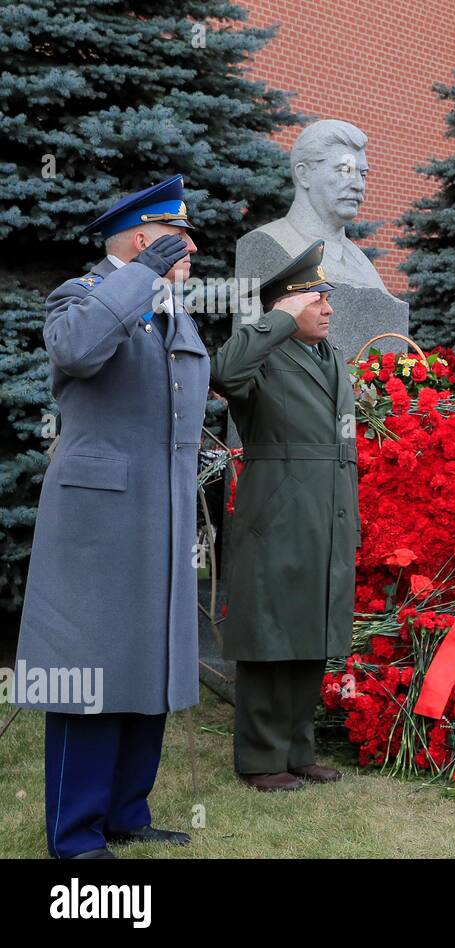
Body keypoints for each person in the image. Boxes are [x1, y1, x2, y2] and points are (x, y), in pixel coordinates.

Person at [16, 175, 208, 858]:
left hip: (161, 512)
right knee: (88, 668)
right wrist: (139, 278)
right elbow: (76, 350)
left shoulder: (170, 310)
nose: (189, 248)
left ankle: (127, 810)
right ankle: (75, 834)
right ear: (137, 239)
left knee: (146, 663)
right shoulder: (87, 294)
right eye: (173, 238)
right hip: (98, 518)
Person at [213, 241, 357, 792]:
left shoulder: (332, 357)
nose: (327, 309)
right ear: (287, 307)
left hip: (328, 511)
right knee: (271, 634)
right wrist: (274, 320)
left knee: (312, 631)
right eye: (316, 299)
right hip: (277, 513)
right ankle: (261, 757)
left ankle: (299, 749)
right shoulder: (263, 353)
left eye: (326, 299)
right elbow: (225, 373)